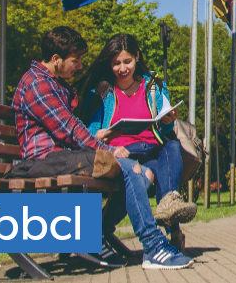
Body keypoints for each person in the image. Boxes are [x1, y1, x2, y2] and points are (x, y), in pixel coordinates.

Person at [10, 26, 193, 269]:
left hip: (64, 157)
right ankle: (153, 246)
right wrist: (107, 149)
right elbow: (70, 129)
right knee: (130, 169)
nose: (80, 66)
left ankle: (101, 237)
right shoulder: (38, 84)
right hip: (44, 161)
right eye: (76, 60)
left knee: (138, 171)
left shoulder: (52, 82)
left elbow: (71, 128)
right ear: (56, 59)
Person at [82, 34, 197, 251]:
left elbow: (162, 129)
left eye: (127, 62)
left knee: (172, 147)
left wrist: (167, 121)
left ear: (137, 57)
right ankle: (173, 231)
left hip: (154, 148)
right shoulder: (103, 91)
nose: (122, 68)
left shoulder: (154, 86)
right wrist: (103, 134)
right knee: (146, 176)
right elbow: (89, 131)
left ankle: (169, 207)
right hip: (122, 152)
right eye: (116, 63)